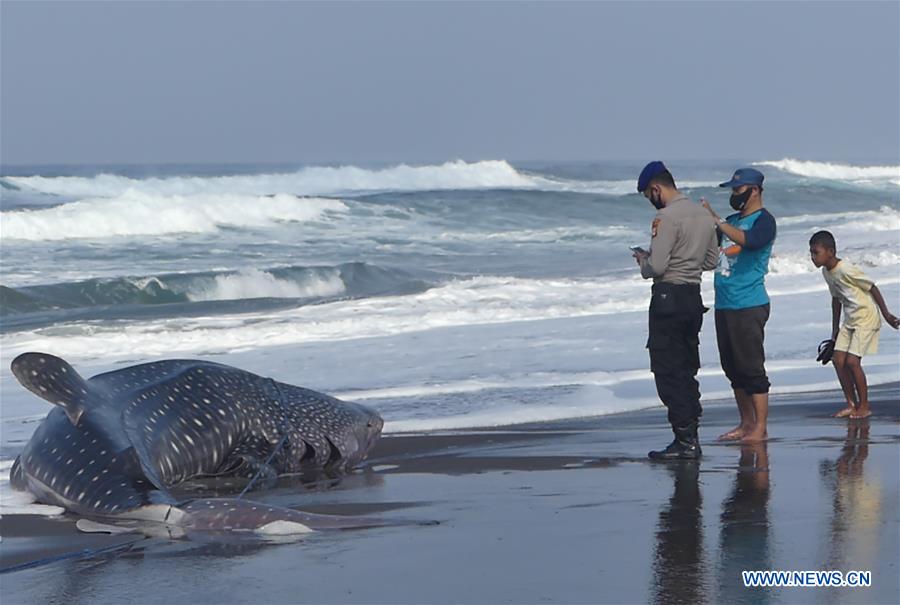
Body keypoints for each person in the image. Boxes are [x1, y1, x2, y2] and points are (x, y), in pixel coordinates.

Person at [634, 161, 719, 460]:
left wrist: (643, 262)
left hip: (667, 297)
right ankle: (691, 435)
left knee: (667, 370)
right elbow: (711, 261)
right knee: (686, 368)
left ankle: (684, 440)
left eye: (648, 195)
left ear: (656, 189)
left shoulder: (665, 218)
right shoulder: (703, 215)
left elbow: (656, 266)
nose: (650, 201)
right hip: (693, 298)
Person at [701, 167, 776, 443]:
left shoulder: (764, 221)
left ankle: (760, 427)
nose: (734, 195)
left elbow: (751, 241)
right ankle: (746, 423)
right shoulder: (732, 220)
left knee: (751, 367)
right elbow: (711, 253)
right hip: (725, 304)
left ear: (753, 190)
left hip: (749, 303)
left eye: (737, 189)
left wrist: (719, 222)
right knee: (732, 367)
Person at [809, 230, 899, 418]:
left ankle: (864, 406)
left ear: (830, 252)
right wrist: (834, 329)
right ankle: (851, 404)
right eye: (811, 253)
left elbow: (872, 287)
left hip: (866, 318)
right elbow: (836, 299)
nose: (812, 257)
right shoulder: (827, 272)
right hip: (850, 320)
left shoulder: (845, 269)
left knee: (852, 362)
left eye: (816, 252)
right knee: (837, 359)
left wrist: (887, 315)